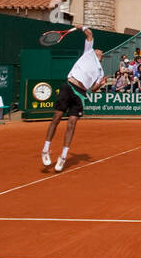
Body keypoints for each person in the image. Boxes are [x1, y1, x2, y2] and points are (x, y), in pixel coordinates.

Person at [42, 26, 106, 172]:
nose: (98, 50)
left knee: (71, 124)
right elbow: (89, 33)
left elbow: (93, 89)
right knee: (56, 118)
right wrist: (80, 27)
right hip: (69, 85)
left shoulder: (100, 71)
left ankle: (63, 156)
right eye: (97, 49)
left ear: (101, 56)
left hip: (81, 93)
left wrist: (100, 84)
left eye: (100, 51)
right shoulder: (88, 52)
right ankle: (46, 149)